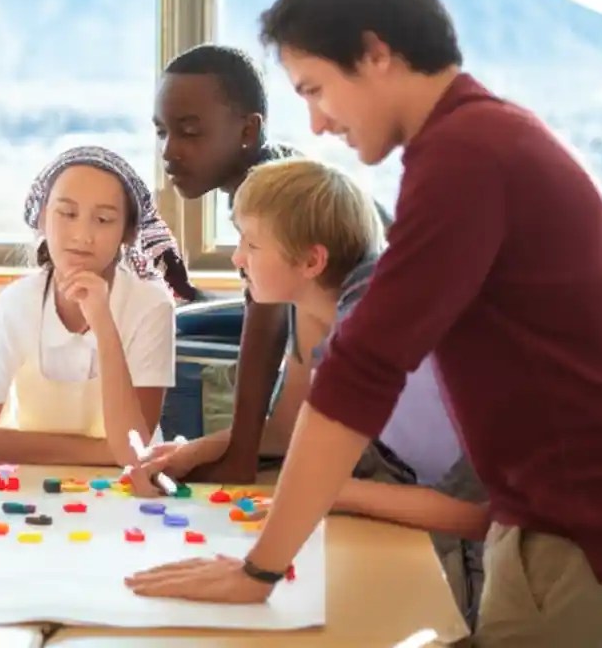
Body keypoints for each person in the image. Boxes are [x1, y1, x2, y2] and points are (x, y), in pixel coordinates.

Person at [127, 0, 602, 648]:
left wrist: (258, 570)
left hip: (593, 516)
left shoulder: (468, 157)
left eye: (314, 88)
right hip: (586, 504)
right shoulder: (480, 140)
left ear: (374, 54)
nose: (314, 123)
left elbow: (362, 371)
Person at [142, 157, 486, 623]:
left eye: (251, 243)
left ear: (311, 261)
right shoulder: (314, 309)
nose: (237, 258)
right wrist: (197, 450)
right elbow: (290, 432)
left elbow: (478, 514)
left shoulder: (383, 337)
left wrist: (337, 493)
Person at [0, 146, 180, 469]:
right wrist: (106, 452)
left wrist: (102, 320)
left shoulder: (151, 305)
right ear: (42, 218)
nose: (82, 235)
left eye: (103, 220)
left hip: (127, 494)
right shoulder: (16, 304)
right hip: (31, 489)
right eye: (67, 213)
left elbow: (135, 450)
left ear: (128, 233)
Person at [151, 43, 300, 482]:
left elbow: (268, 325)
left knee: (170, 344)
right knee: (173, 321)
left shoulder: (275, 194)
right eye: (162, 132)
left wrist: (241, 452)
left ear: (248, 131)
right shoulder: (265, 172)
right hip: (290, 319)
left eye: (190, 132)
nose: (169, 151)